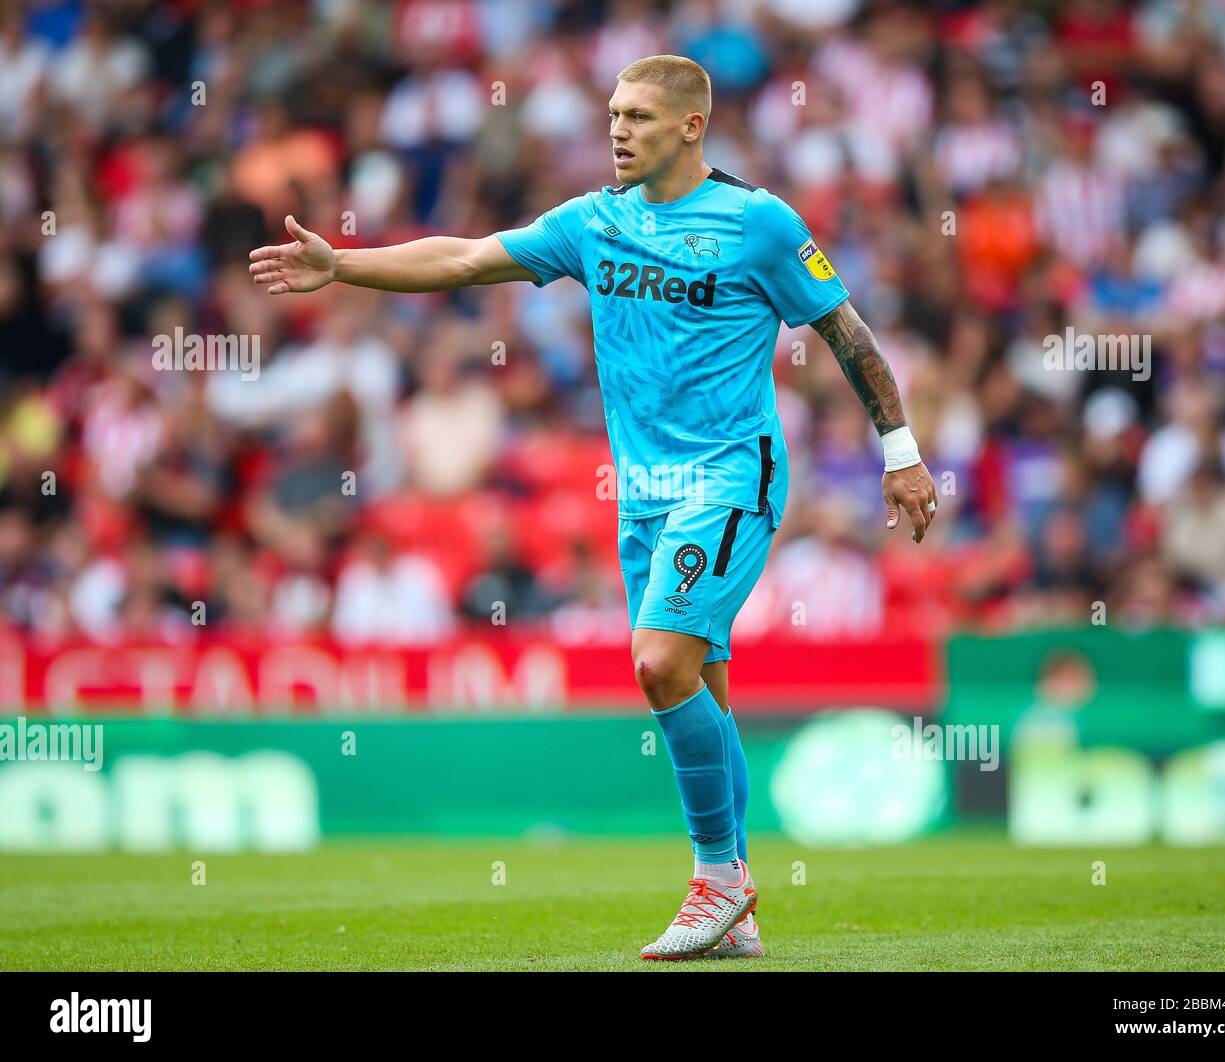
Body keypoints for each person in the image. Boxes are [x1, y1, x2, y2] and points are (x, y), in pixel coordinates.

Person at [249, 54, 937, 960]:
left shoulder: (758, 222)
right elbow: (460, 256)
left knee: (657, 666)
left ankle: (716, 883)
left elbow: (846, 332)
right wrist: (343, 265)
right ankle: (740, 912)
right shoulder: (592, 222)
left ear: (692, 127)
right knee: (703, 688)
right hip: (643, 498)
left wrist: (902, 452)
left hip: (732, 479)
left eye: (640, 117)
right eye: (614, 113)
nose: (617, 130)